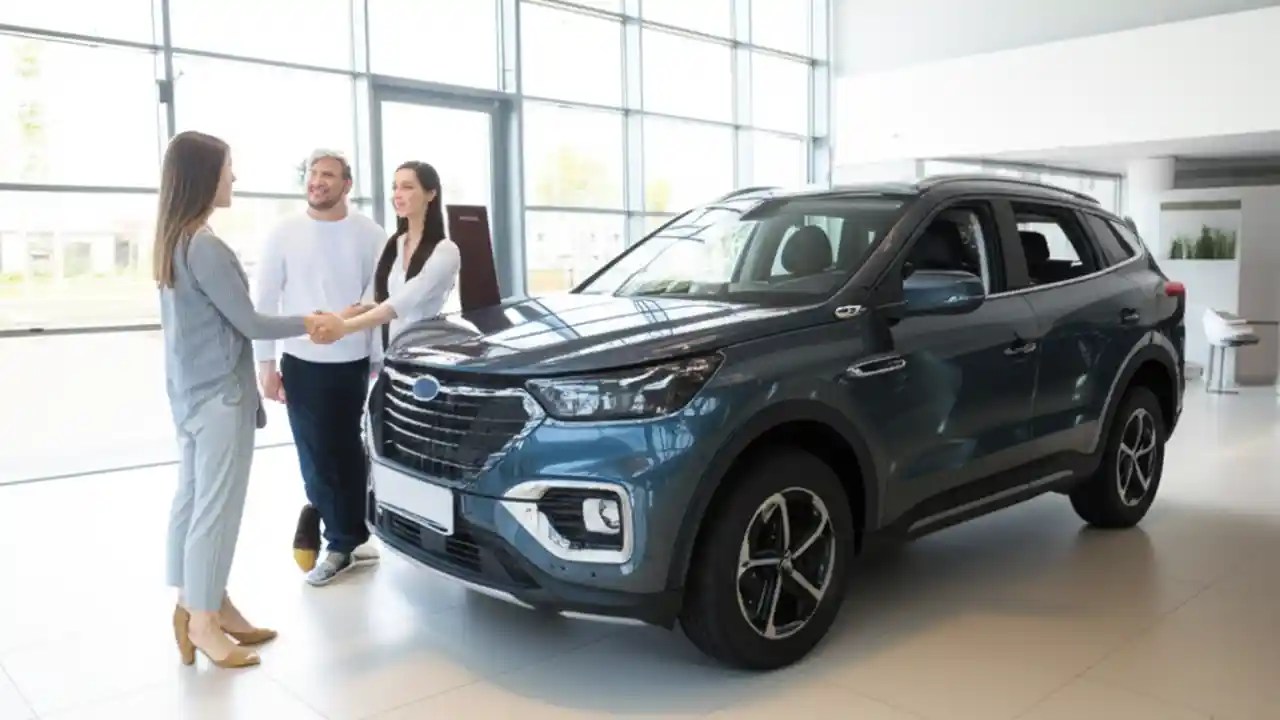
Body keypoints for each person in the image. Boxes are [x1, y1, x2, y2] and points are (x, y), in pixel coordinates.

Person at [156, 130, 342, 669]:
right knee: (214, 510)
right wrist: (314, 321)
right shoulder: (204, 244)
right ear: (204, 176)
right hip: (219, 398)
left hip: (190, 395)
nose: (234, 178)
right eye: (228, 168)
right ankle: (203, 620)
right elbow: (251, 321)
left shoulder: (174, 238)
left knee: (191, 502)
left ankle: (203, 603)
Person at [253, 149, 387, 587]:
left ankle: (349, 538)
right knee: (315, 452)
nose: (318, 181)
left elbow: (380, 294)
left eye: (329, 175)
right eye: (313, 173)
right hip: (302, 362)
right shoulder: (284, 233)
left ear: (347, 184)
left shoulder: (369, 233)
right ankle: (342, 539)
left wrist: (373, 355)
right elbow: (265, 301)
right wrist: (266, 364)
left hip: (352, 362)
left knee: (347, 449)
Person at [311, 161, 461, 347]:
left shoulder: (446, 251)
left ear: (430, 194)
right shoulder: (395, 244)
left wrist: (344, 326)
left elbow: (398, 305)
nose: (397, 195)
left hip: (424, 353)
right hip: (393, 353)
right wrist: (337, 318)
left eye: (407, 187)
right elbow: (382, 302)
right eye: (395, 187)